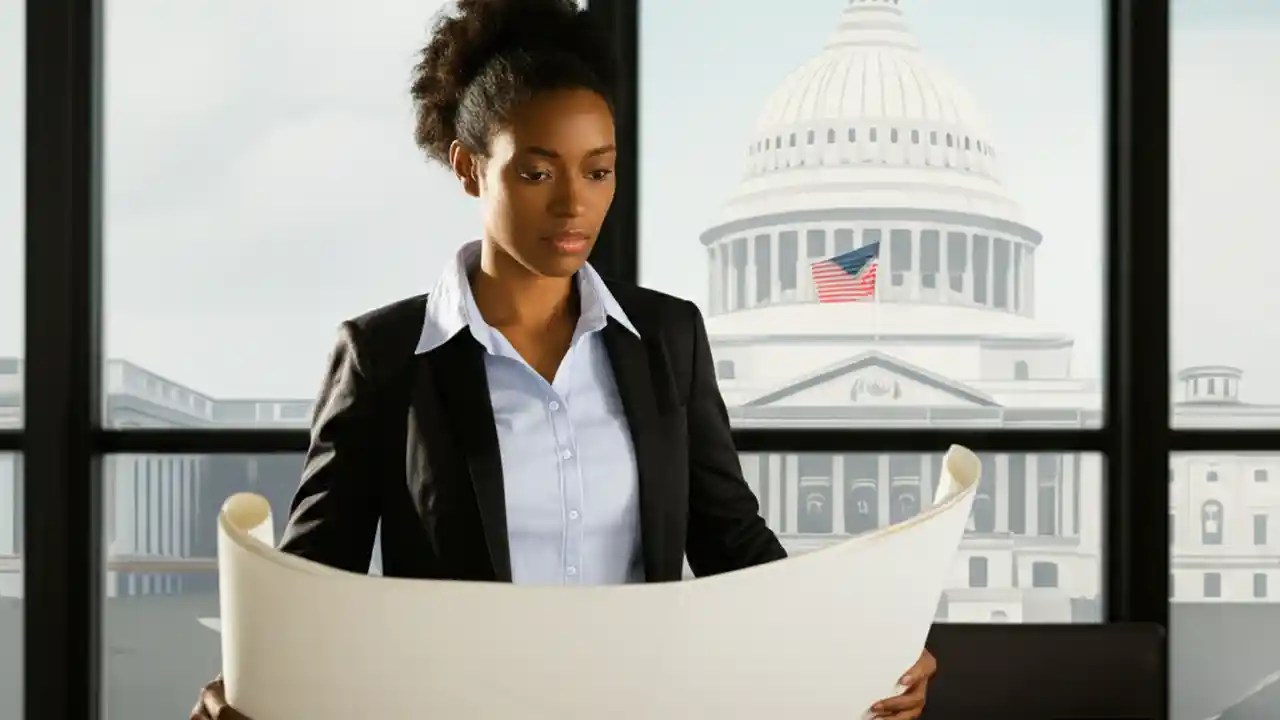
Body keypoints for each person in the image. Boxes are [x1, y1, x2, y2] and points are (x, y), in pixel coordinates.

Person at [191, 0, 937, 718]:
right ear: (468, 167)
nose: (574, 205)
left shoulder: (668, 339)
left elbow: (731, 544)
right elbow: (316, 585)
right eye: (538, 172)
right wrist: (252, 689)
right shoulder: (385, 359)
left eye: (599, 171)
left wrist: (860, 651)